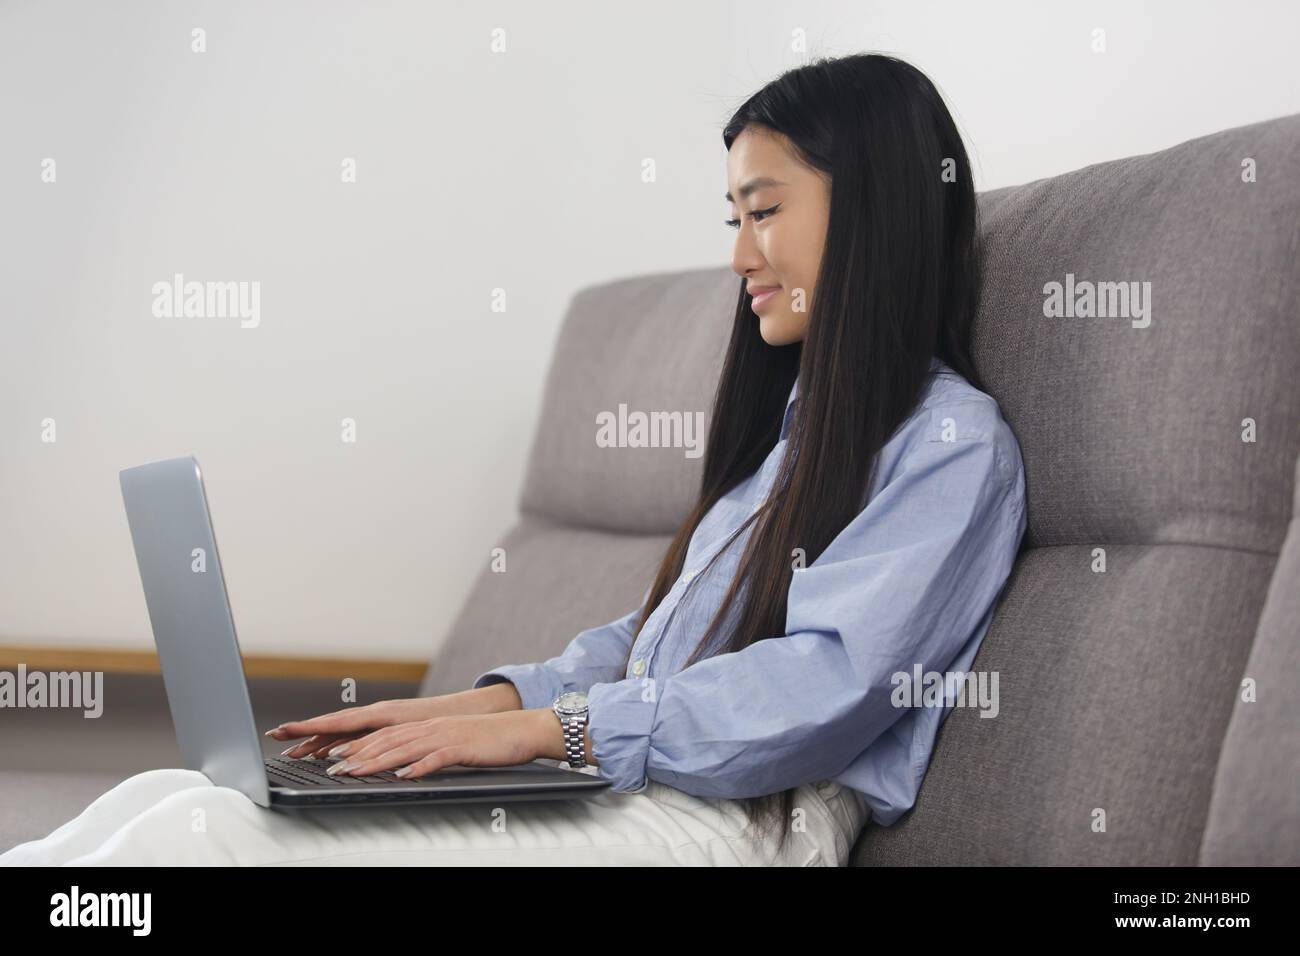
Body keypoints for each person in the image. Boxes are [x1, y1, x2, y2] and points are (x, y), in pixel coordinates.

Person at [1, 51, 1025, 867]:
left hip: (733, 826)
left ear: (878, 210)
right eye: (734, 218)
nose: (738, 256)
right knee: (177, 797)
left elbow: (821, 692)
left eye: (763, 211)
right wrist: (476, 707)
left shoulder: (952, 448)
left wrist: (555, 733)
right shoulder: (792, 437)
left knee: (201, 843)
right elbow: (654, 647)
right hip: (637, 796)